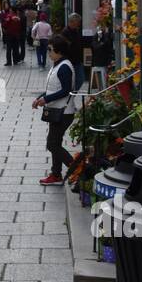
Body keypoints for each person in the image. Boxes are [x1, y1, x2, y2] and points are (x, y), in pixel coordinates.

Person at [31, 36, 79, 186]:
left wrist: (46, 99)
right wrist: (41, 97)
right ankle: (56, 174)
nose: (48, 52)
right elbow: (53, 88)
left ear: (59, 51)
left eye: (50, 50)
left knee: (52, 144)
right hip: (56, 111)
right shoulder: (57, 64)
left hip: (64, 112)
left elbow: (66, 90)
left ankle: (77, 169)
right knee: (55, 143)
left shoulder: (64, 66)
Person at [63, 13, 87, 91]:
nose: (79, 24)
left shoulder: (76, 30)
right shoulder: (65, 32)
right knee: (76, 79)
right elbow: (67, 46)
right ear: (72, 22)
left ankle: (71, 94)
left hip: (77, 60)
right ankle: (70, 94)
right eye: (78, 22)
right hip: (70, 61)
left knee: (80, 79)